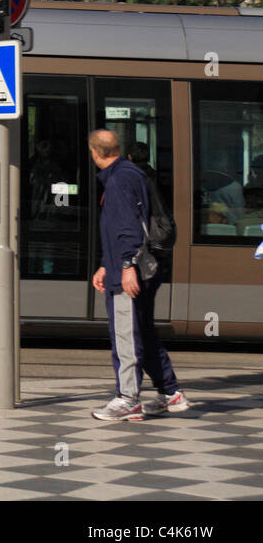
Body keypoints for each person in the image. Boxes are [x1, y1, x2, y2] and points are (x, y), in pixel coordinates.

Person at [88, 129, 188, 421]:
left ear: (95, 153)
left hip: (129, 272)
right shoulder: (130, 174)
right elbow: (127, 227)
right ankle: (170, 393)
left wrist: (126, 266)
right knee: (142, 329)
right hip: (128, 266)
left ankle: (127, 399)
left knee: (126, 335)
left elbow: (128, 229)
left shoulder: (119, 180)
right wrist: (107, 264)